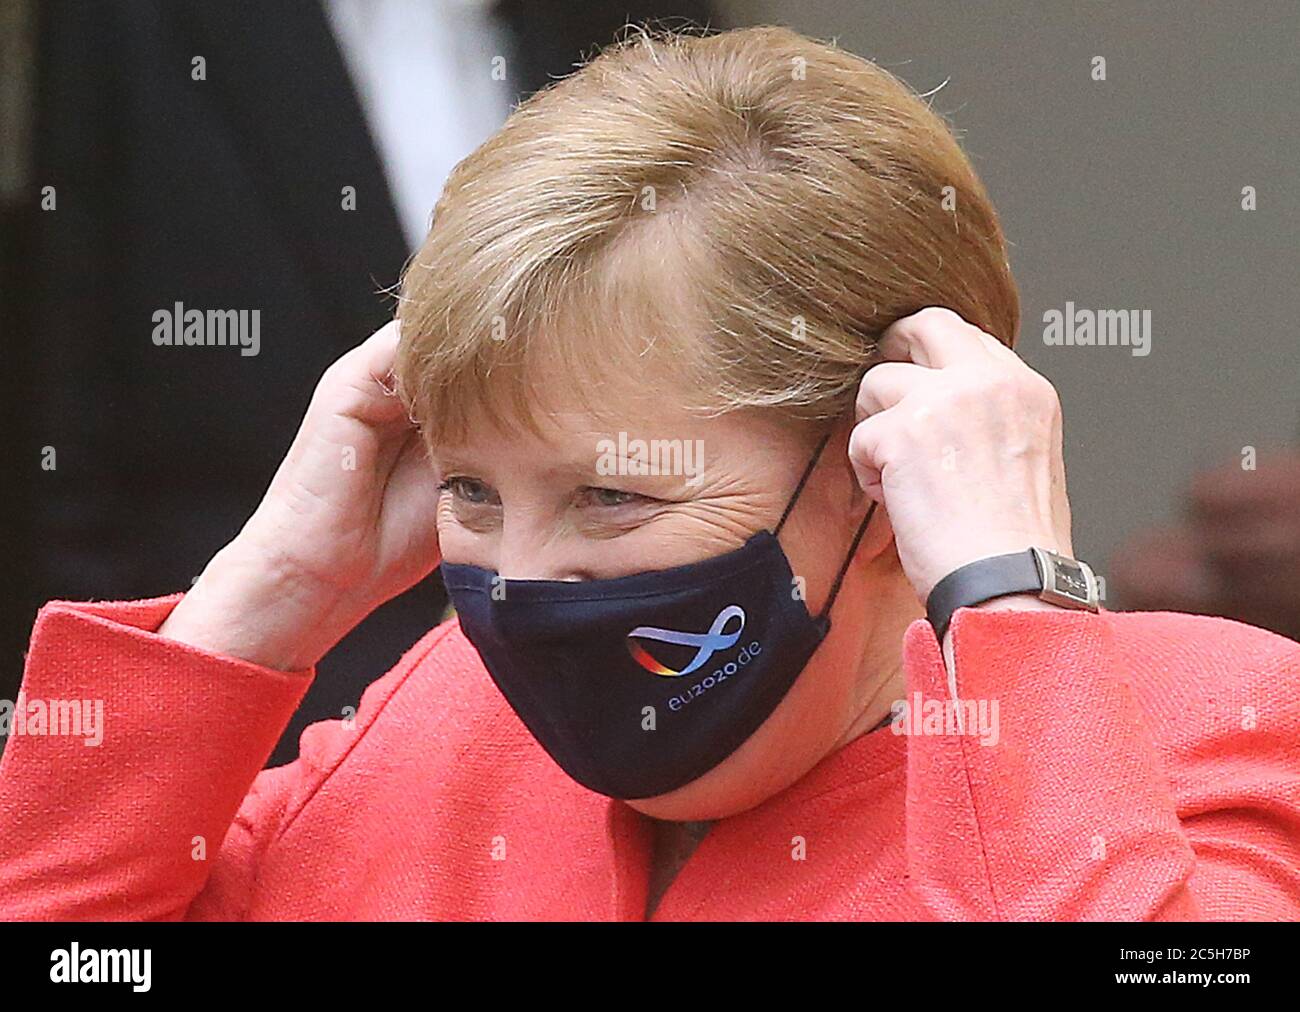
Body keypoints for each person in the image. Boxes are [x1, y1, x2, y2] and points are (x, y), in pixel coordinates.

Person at [2, 24, 1298, 922]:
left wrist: (1014, 603)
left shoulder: (1207, 728)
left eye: (612, 495)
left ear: (885, 467)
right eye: (471, 490)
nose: (514, 585)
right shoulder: (440, 724)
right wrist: (267, 593)